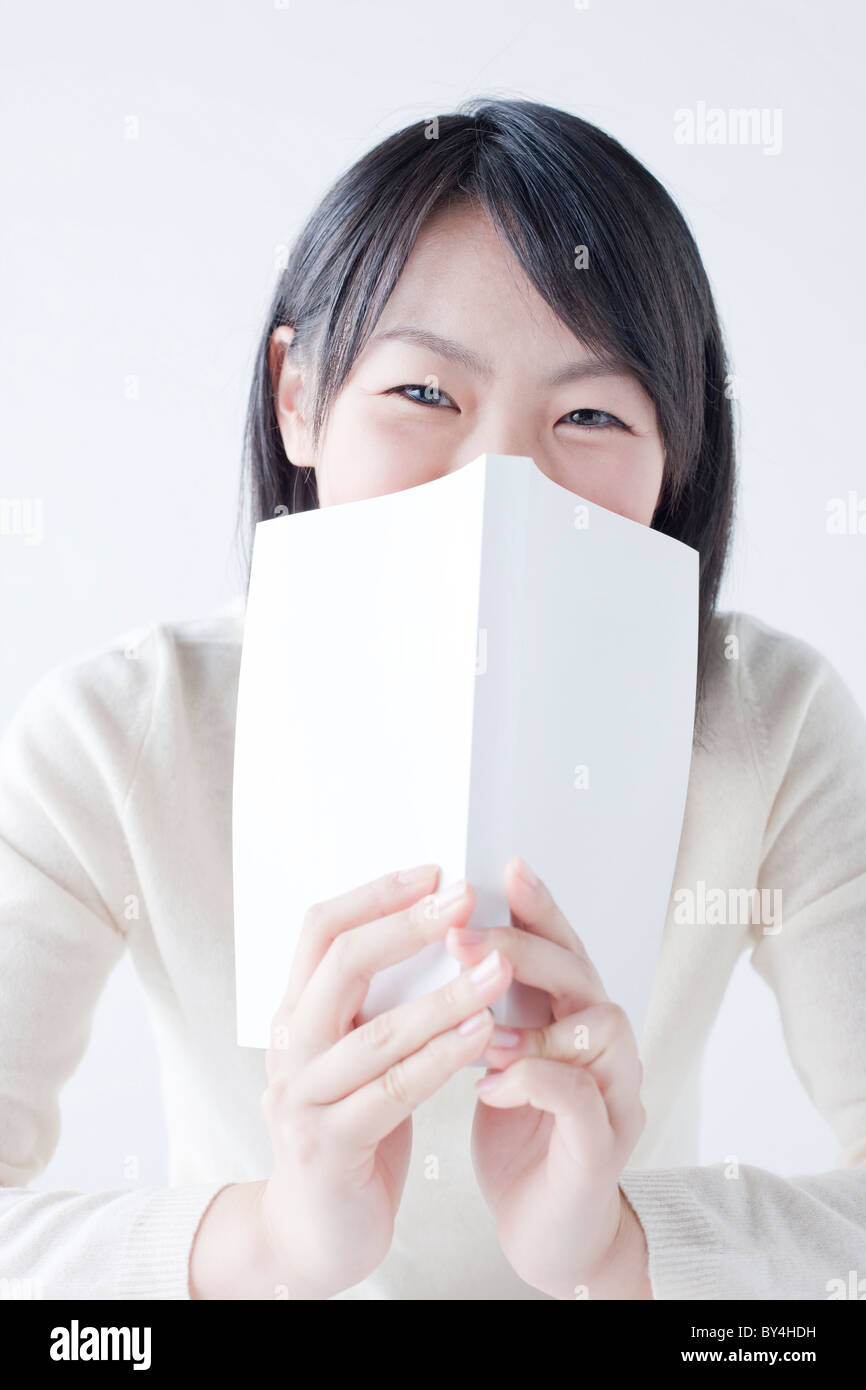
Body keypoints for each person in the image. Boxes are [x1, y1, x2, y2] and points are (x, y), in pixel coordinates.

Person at [1, 97, 864, 1301]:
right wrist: (274, 1243)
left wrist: (621, 1254)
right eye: (424, 396)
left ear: (677, 457)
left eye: (589, 415)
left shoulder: (767, 720)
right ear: (298, 396)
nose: (497, 482)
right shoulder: (111, 735)